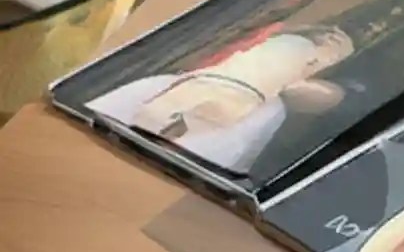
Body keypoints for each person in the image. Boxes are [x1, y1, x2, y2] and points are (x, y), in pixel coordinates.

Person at [87, 23, 355, 172]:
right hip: (203, 85)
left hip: (238, 104)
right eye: (327, 40)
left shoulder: (272, 110)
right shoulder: (285, 42)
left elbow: (320, 96)